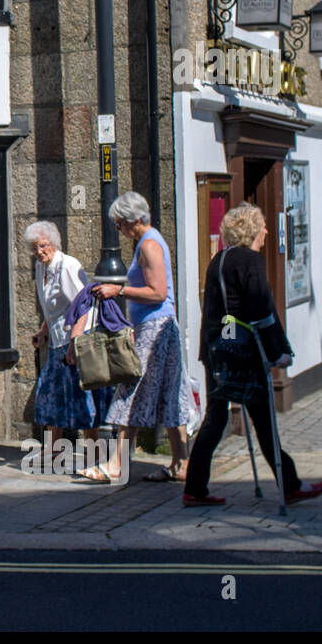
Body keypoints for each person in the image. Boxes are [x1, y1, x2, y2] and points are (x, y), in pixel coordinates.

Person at [183, 203, 322, 507]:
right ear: (251, 229)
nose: (267, 231)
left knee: (216, 417)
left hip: (217, 352)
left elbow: (217, 312)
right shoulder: (251, 261)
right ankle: (289, 485)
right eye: (262, 225)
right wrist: (279, 352)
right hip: (244, 355)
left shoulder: (218, 260)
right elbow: (261, 311)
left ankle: (194, 487)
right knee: (262, 418)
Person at [86, 191, 197, 481]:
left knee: (129, 391)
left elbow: (158, 291)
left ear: (132, 220)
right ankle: (180, 464)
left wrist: (118, 289)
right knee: (171, 394)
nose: (118, 229)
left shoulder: (149, 245)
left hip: (155, 327)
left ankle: (117, 465)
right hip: (160, 327)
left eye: (119, 223)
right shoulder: (150, 241)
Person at [24, 221, 101, 466]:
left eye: (43, 246)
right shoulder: (40, 267)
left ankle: (94, 453)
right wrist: (43, 331)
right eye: (35, 247)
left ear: (54, 243)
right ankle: (54, 449)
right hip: (56, 340)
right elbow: (52, 309)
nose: (39, 251)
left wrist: (73, 344)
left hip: (73, 341)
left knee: (81, 398)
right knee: (50, 395)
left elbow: (84, 307)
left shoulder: (68, 266)